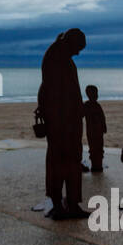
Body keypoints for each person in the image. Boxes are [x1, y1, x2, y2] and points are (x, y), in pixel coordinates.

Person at [37, 28, 89, 219]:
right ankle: (59, 204)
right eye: (78, 48)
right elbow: (51, 92)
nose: (78, 53)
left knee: (72, 162)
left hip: (69, 121)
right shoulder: (55, 58)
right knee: (59, 162)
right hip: (61, 122)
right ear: (70, 42)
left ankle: (72, 203)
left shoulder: (61, 56)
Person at [82, 84, 107, 173]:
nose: (96, 96)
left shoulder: (95, 105)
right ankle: (95, 165)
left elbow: (102, 117)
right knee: (93, 148)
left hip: (97, 131)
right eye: (94, 94)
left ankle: (98, 165)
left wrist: (104, 126)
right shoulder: (87, 105)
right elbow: (80, 114)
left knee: (98, 148)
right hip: (92, 131)